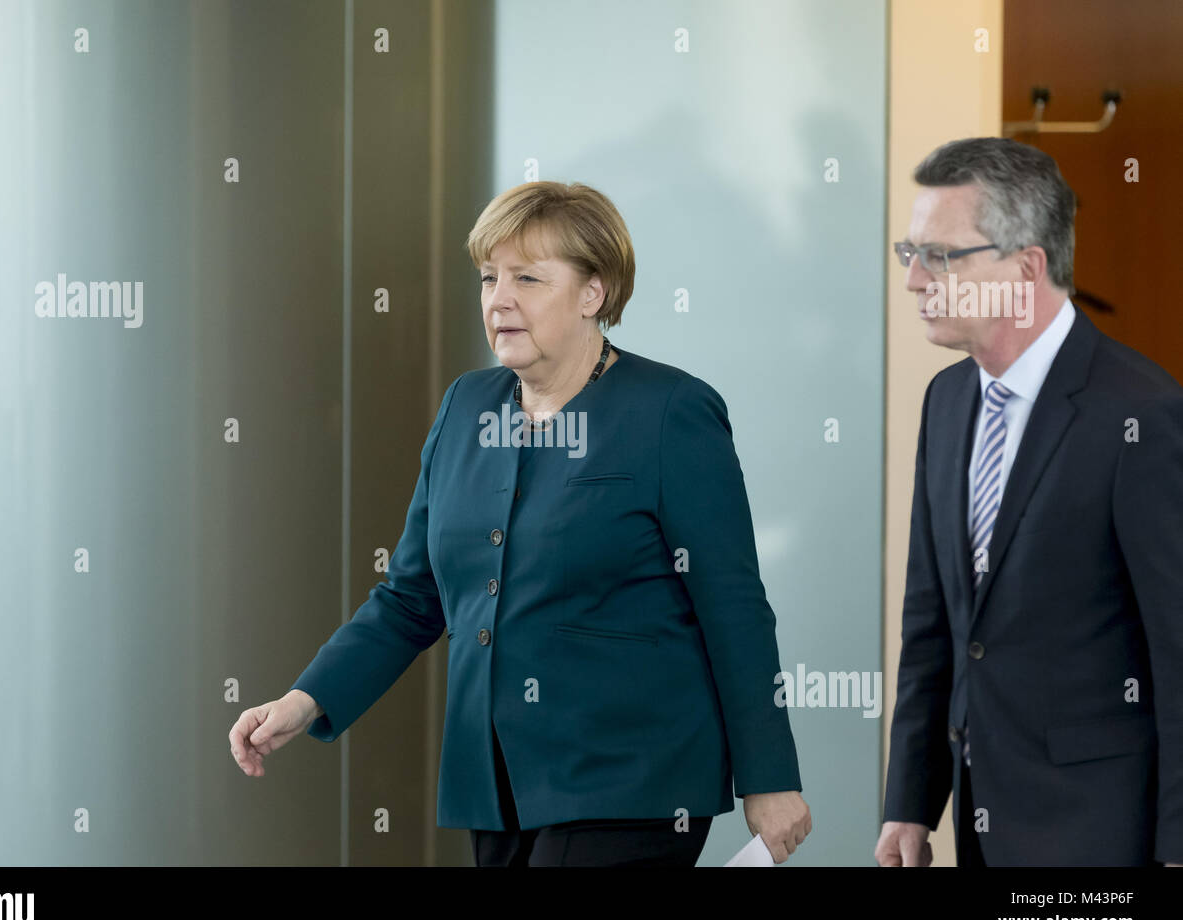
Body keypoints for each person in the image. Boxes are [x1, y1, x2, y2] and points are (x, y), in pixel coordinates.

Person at [229, 180, 810, 866]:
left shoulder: (670, 413)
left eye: (528, 278)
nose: (498, 299)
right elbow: (411, 597)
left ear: (593, 293)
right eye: (488, 277)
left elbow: (733, 605)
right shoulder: (465, 406)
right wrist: (307, 700)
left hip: (630, 780)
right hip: (497, 784)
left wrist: (770, 777)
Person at [878, 137, 1183, 867]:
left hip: (1102, 834)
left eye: (942, 256)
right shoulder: (946, 400)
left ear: (1025, 267)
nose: (917, 279)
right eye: (909, 253)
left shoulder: (1138, 411)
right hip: (981, 831)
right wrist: (911, 808)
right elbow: (934, 628)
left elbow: (1177, 652)